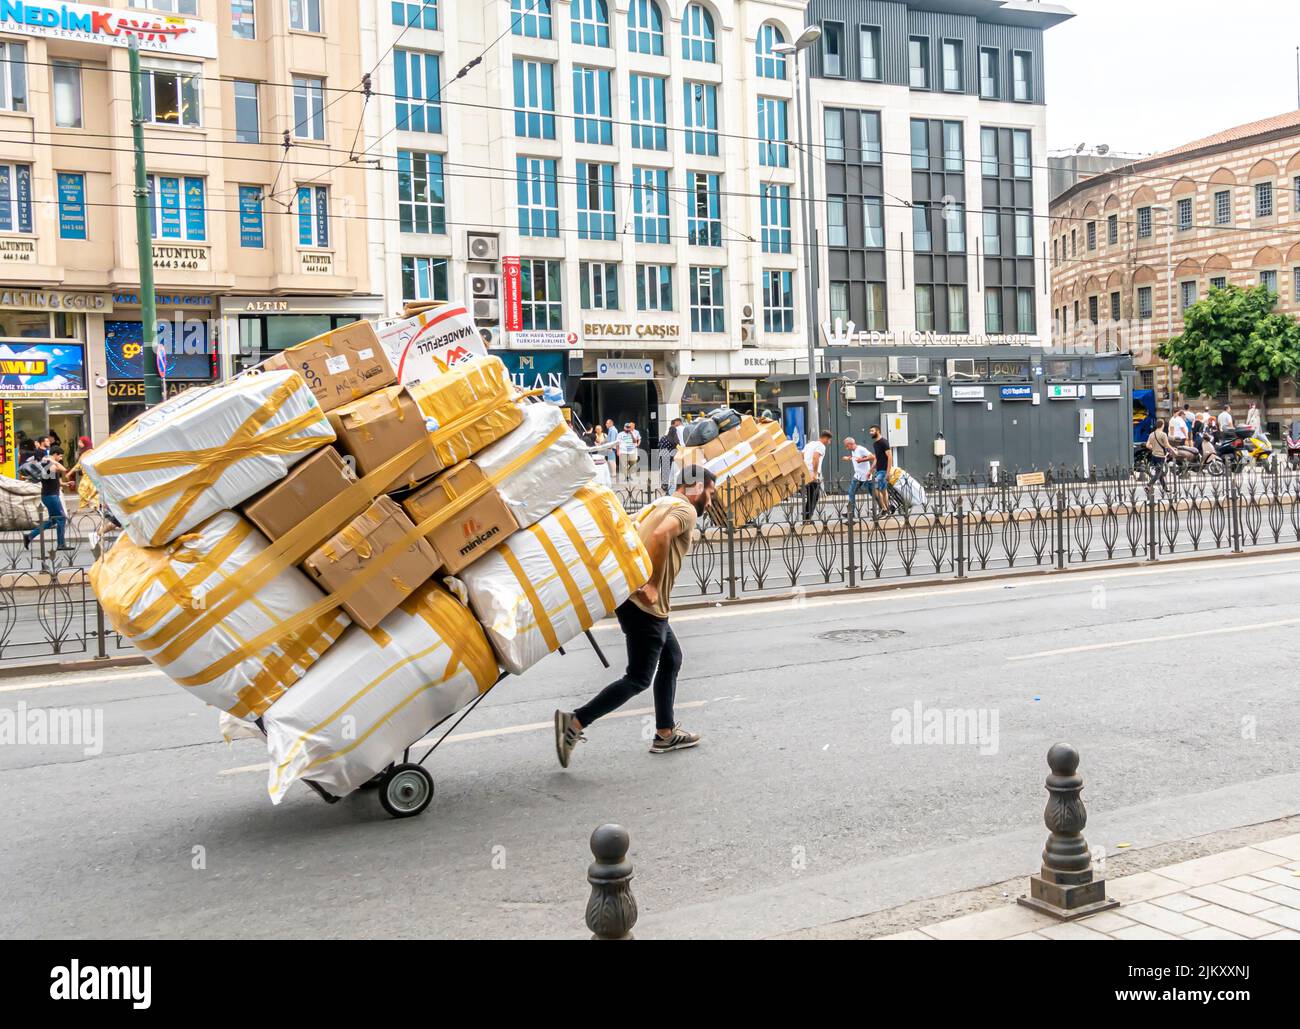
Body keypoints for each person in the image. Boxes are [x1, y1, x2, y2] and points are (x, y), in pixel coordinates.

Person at [554, 465, 718, 765]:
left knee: (672, 659)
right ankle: (576, 722)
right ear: (695, 488)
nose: (710, 502)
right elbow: (660, 535)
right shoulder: (685, 511)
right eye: (709, 493)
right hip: (646, 606)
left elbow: (629, 531)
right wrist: (653, 585)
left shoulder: (658, 503)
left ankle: (665, 733)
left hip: (635, 600)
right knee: (639, 677)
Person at [24, 445, 74, 552]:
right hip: (51, 496)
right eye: (60, 456)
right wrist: (52, 460)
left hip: (49, 495)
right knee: (61, 518)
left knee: (52, 521)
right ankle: (61, 544)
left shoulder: (47, 463)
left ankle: (29, 536)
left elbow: (54, 481)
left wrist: (66, 484)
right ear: (55, 455)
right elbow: (63, 469)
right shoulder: (49, 464)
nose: (61, 458)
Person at [802, 430, 831, 521]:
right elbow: (815, 458)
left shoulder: (810, 444)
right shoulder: (821, 446)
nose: (829, 442)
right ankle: (807, 519)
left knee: (811, 496)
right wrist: (814, 473)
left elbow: (801, 455)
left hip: (805, 472)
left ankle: (806, 517)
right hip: (812, 474)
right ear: (826, 438)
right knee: (814, 496)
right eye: (829, 440)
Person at [843, 437, 873, 519]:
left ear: (850, 444)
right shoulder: (854, 451)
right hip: (857, 476)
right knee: (851, 492)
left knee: (873, 494)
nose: (846, 448)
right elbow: (856, 458)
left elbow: (872, 457)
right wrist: (848, 458)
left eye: (847, 446)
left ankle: (883, 508)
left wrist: (862, 460)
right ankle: (851, 512)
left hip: (866, 476)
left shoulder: (861, 449)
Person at [867, 425, 892, 514]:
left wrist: (888, 472)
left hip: (884, 471)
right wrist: (870, 470)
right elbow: (876, 458)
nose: (870, 433)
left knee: (877, 488)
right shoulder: (875, 444)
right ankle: (886, 509)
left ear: (878, 431)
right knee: (882, 491)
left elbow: (889, 456)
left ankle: (885, 509)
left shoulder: (884, 442)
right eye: (870, 431)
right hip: (879, 470)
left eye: (872, 431)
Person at [1146, 418, 1173, 490]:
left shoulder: (1152, 434)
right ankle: (1148, 485)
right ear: (1162, 425)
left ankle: (1165, 488)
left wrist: (1154, 448)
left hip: (1154, 456)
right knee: (1158, 473)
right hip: (1160, 456)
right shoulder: (1163, 434)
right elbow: (1167, 445)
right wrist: (1174, 450)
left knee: (1159, 472)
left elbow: (1147, 445)